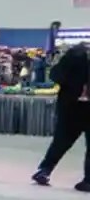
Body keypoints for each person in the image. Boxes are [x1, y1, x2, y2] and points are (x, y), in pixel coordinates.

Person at [32, 42, 90, 192]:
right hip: (75, 105)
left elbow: (55, 74)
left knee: (61, 140)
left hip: (70, 104)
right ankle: (88, 180)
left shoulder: (75, 52)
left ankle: (44, 170)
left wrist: (70, 86)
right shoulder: (77, 53)